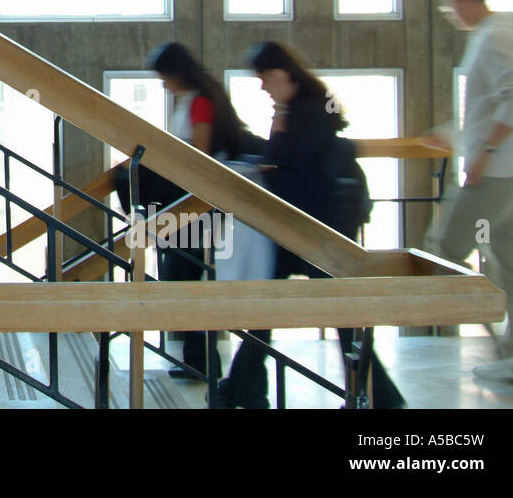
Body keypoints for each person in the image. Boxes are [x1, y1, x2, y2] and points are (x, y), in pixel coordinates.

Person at [215, 42, 406, 409]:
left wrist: (272, 142)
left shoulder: (306, 111)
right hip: (300, 229)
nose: (263, 86)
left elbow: (289, 163)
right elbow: (283, 161)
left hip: (316, 232)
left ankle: (381, 397)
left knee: (334, 317)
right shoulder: (298, 109)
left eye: (266, 77)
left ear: (283, 73)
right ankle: (243, 389)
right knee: (288, 312)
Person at [423, 0, 513, 383]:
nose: (451, 16)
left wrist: (485, 153)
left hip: (496, 172)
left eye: (451, 7)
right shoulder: (500, 32)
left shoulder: (495, 36)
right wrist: (452, 134)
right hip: (509, 171)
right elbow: (489, 106)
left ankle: (427, 325)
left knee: (443, 249)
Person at [116, 42, 250, 379]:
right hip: (185, 204)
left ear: (177, 73)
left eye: (163, 77)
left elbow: (199, 156)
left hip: (196, 205)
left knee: (184, 278)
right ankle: (198, 361)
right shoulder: (193, 101)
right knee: (183, 278)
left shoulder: (201, 103)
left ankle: (202, 362)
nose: (163, 84)